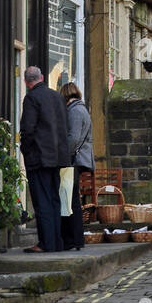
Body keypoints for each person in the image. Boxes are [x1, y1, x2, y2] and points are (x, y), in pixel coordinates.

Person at [19, 66, 71, 253]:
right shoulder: (57, 96)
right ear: (41, 77)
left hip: (39, 158)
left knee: (42, 202)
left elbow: (28, 130)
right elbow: (65, 126)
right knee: (54, 199)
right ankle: (56, 242)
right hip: (57, 157)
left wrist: (26, 152)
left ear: (26, 82)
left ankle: (46, 243)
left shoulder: (32, 98)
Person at [60, 82, 93, 251]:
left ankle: (72, 239)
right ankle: (76, 239)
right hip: (79, 160)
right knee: (72, 199)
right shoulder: (81, 109)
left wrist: (62, 155)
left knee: (68, 200)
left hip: (73, 160)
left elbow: (73, 139)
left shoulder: (74, 111)